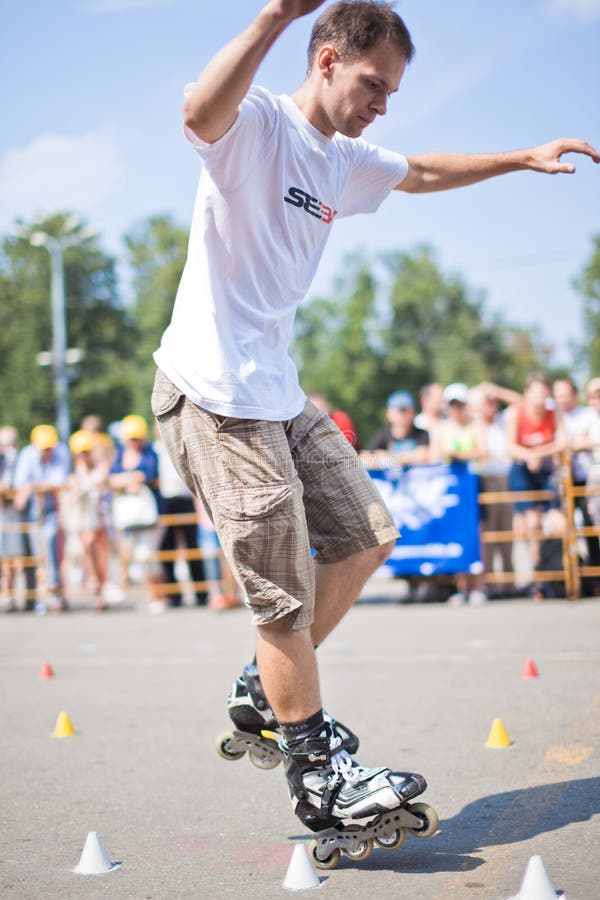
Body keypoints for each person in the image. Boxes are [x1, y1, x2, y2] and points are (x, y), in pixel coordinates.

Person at [151, 0, 599, 857]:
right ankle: (315, 770)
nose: (382, 104)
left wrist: (520, 158)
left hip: (277, 391)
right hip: (212, 393)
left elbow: (422, 171)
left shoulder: (345, 161)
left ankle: (262, 690)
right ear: (325, 59)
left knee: (366, 533)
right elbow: (195, 112)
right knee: (282, 594)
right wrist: (275, 15)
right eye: (372, 85)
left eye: (392, 91)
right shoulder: (255, 126)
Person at [505, 373, 567, 597]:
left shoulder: (554, 413)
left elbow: (563, 441)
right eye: (535, 392)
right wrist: (529, 455)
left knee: (556, 522)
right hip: (522, 470)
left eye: (543, 392)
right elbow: (510, 446)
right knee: (532, 523)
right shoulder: (516, 413)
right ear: (526, 394)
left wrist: (539, 453)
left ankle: (553, 571)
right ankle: (538, 572)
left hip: (546, 469)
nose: (540, 397)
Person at [430, 383, 488, 605]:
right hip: (451, 487)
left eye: (460, 404)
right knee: (456, 535)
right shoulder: (442, 428)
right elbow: (435, 456)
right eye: (453, 405)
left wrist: (460, 454)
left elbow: (483, 451)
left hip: (472, 486)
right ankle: (462, 587)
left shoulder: (475, 426)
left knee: (476, 534)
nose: (457, 409)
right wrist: (448, 454)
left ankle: (478, 586)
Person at [108, 415, 165, 612]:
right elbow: (112, 478)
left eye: (136, 437)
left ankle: (156, 595)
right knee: (127, 553)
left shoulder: (150, 454)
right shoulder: (119, 456)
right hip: (128, 515)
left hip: (148, 514)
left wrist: (127, 479)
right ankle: (131, 590)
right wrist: (130, 479)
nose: (133, 442)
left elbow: (148, 474)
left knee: (147, 555)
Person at [12, 424, 71, 613]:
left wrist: (32, 487)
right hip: (32, 512)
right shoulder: (27, 455)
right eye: (44, 448)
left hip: (54, 509)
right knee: (37, 554)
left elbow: (58, 482)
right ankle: (39, 595)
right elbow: (20, 485)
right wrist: (35, 487)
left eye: (50, 447)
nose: (48, 451)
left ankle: (55, 592)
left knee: (52, 546)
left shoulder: (61, 452)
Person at [553, 376, 600, 590]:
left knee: (592, 530)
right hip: (578, 479)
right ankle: (580, 578)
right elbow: (576, 443)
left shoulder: (586, 416)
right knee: (578, 530)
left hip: (587, 477)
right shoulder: (583, 418)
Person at [154, 430, 208, 607]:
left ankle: (201, 592)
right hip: (165, 500)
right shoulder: (157, 449)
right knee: (166, 547)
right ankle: (173, 594)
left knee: (192, 546)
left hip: (185, 497)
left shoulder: (182, 444)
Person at [65, 430, 111, 611]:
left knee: (101, 555)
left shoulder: (100, 467)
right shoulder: (74, 471)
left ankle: (101, 590)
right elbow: (74, 491)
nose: (84, 455)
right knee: (86, 552)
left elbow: (100, 482)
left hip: (101, 518)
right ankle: (96, 591)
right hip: (83, 519)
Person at [360, 390, 429, 468]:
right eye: (400, 411)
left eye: (406, 411)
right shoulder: (383, 435)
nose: (403, 416)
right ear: (389, 413)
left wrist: (387, 457)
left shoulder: (421, 434)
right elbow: (363, 457)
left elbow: (423, 455)